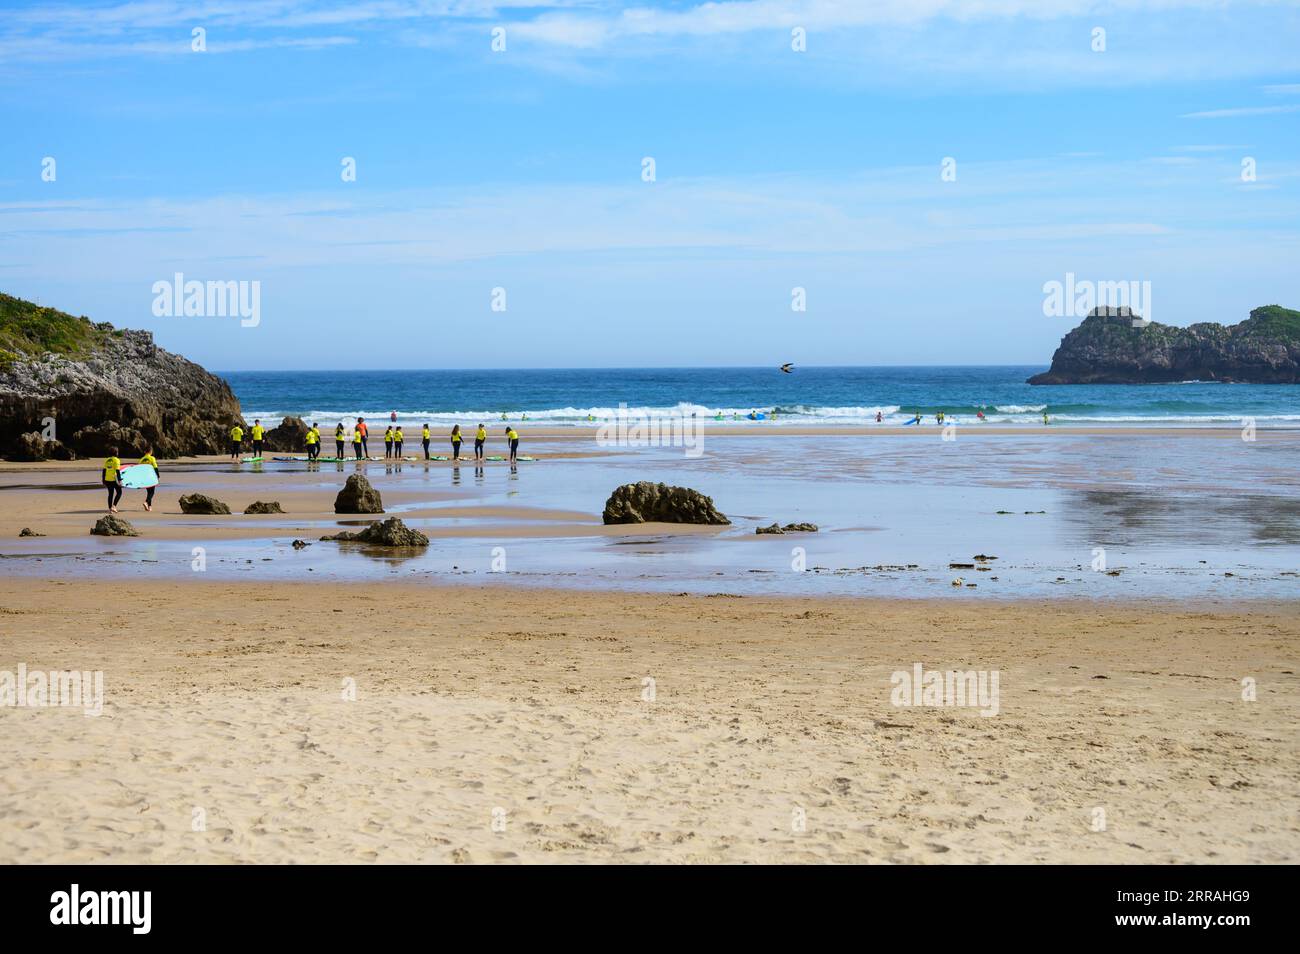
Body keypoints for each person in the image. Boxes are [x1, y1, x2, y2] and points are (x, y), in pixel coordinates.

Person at [102, 446, 123, 513]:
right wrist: (120, 480)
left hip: (107, 479)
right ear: (116, 453)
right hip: (114, 479)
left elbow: (104, 470)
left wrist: (103, 480)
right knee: (119, 492)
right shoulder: (117, 460)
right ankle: (114, 506)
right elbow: (117, 471)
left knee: (110, 494)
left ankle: (110, 509)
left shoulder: (107, 460)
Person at [138, 447, 159, 511]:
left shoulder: (141, 459)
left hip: (145, 477)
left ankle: (149, 507)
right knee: (152, 492)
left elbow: (139, 470)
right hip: (151, 477)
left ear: (145, 451)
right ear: (151, 451)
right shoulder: (152, 458)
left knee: (149, 492)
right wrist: (157, 476)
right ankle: (146, 502)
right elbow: (155, 468)